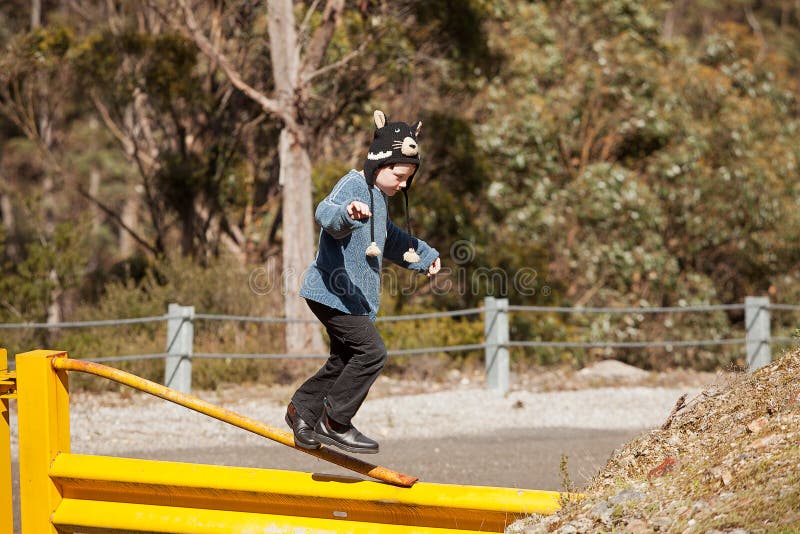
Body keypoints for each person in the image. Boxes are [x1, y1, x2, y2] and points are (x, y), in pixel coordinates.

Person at [285, 110, 441, 454]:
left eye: (408, 179)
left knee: (343, 361)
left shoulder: (380, 198)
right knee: (372, 353)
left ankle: (302, 412)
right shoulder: (355, 185)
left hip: (347, 298)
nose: (403, 184)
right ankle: (335, 422)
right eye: (399, 175)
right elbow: (326, 213)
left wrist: (425, 255)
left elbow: (392, 239)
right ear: (379, 164)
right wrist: (347, 212)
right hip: (332, 291)